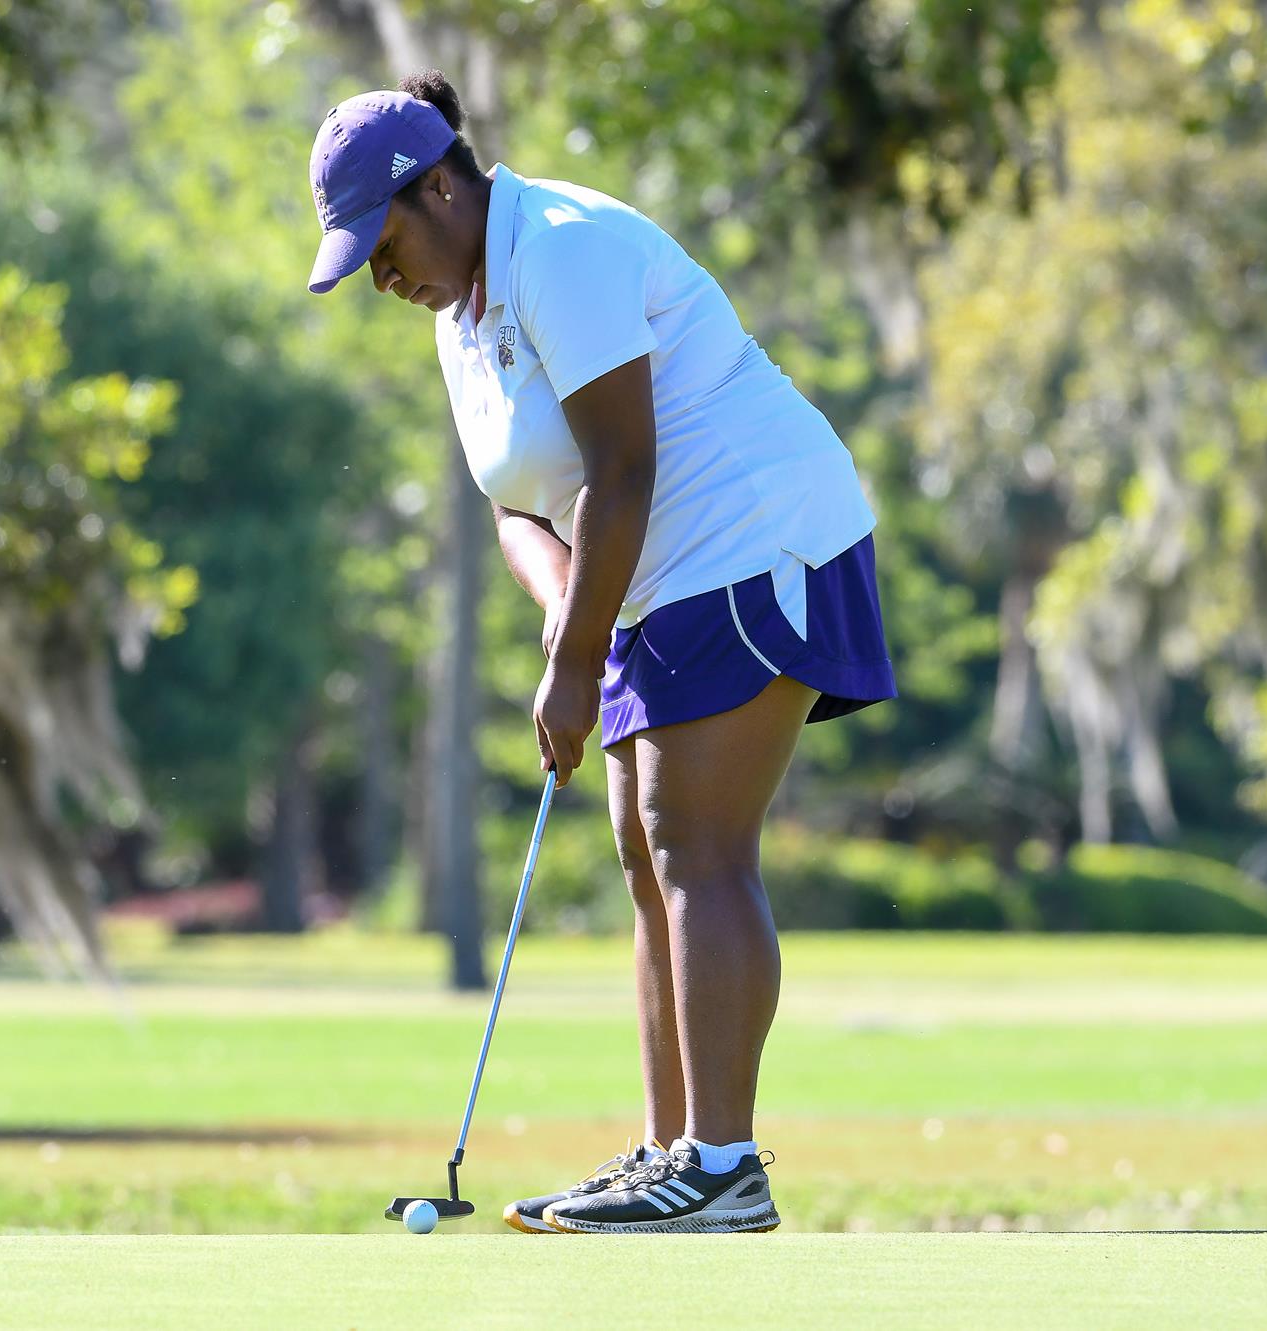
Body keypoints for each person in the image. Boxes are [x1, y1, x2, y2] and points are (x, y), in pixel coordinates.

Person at [306, 70, 896, 1235]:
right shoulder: (457, 315)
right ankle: (668, 1153)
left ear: (440, 188)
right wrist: (567, 606)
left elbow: (624, 470)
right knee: (643, 850)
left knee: (694, 839)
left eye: (381, 242)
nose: (379, 275)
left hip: (751, 531)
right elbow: (516, 500)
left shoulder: (560, 247)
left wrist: (576, 662)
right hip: (647, 572)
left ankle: (721, 1165)